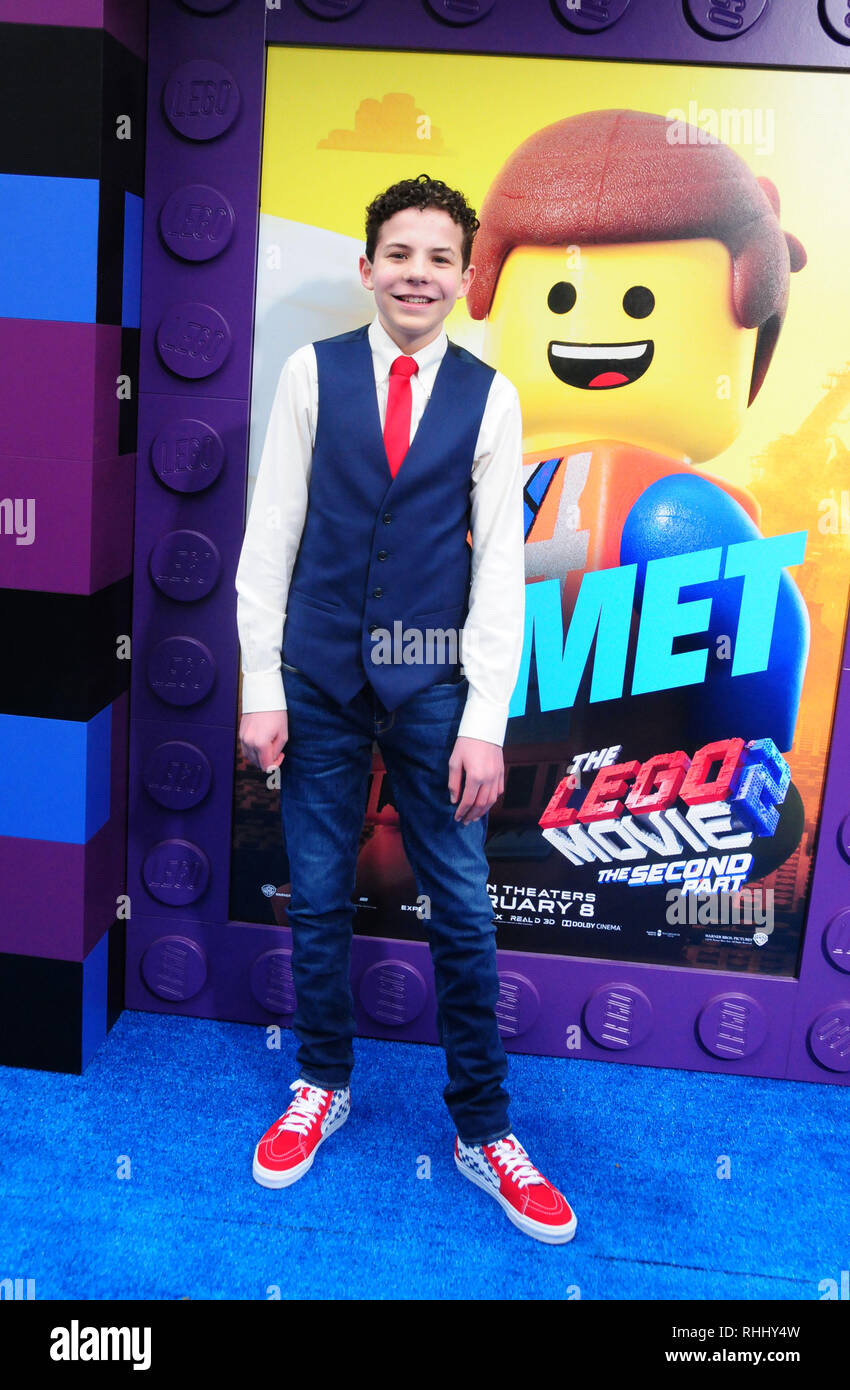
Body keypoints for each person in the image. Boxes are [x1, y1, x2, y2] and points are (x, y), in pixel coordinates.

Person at [235, 174, 576, 1244]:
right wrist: (259, 686)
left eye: (439, 257)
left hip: (433, 683)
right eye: (399, 252)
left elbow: (501, 571)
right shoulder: (310, 373)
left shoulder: (491, 393)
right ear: (366, 266)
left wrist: (485, 718)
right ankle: (323, 1081)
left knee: (464, 911)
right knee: (322, 892)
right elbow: (270, 535)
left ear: (465, 277)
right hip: (319, 681)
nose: (417, 272)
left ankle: (483, 1127)